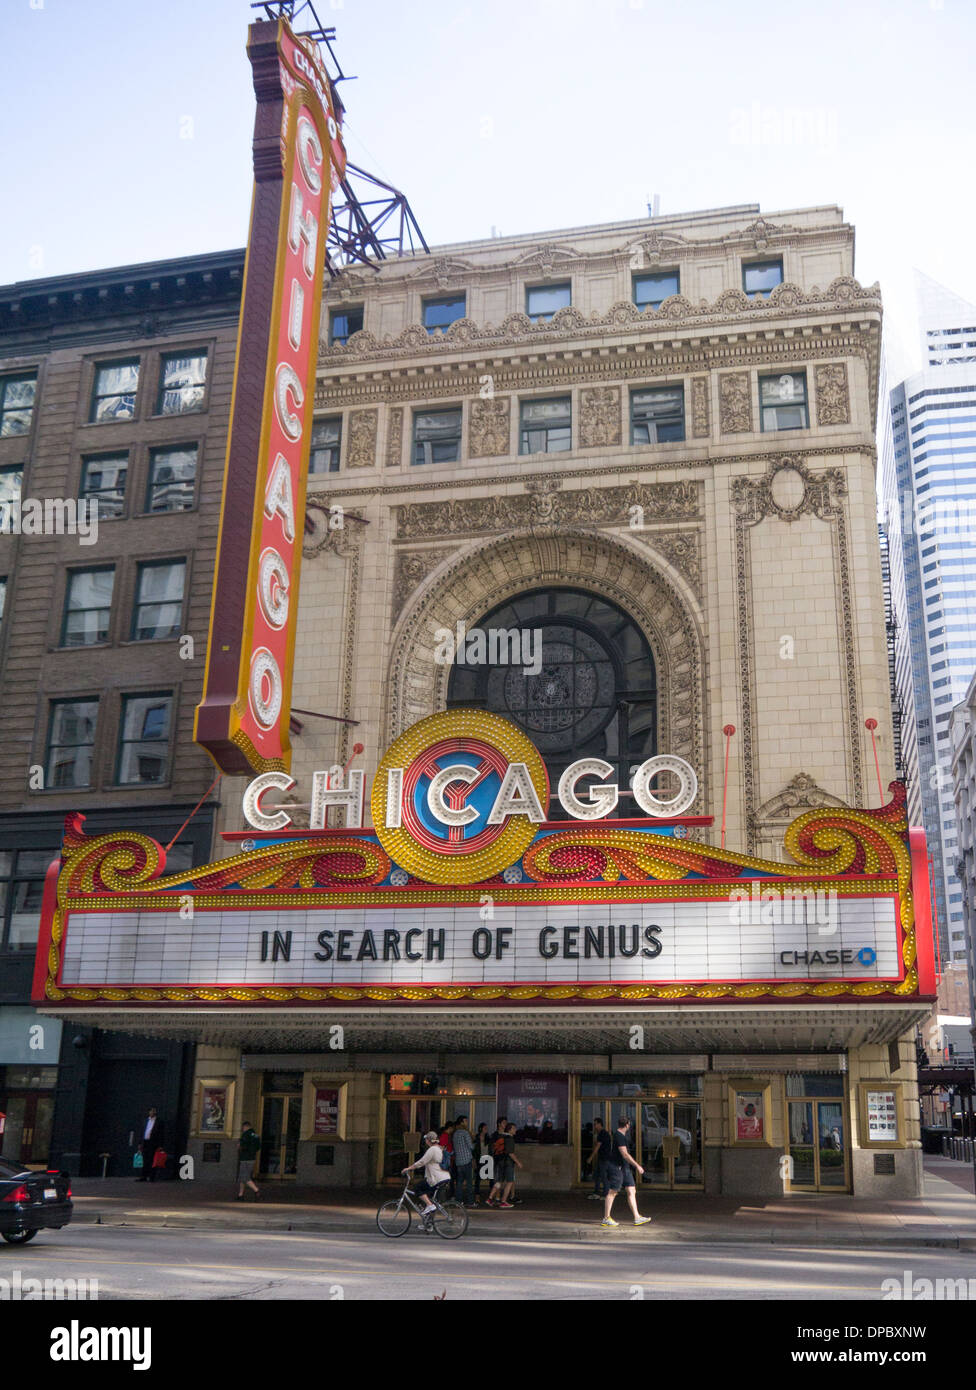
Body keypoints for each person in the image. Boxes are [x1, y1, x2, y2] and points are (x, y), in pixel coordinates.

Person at [602, 1116, 652, 1228]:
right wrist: (637, 1166)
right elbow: (625, 1154)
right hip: (617, 1167)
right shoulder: (619, 1136)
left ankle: (637, 1217)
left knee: (631, 1190)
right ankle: (606, 1218)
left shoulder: (621, 1136)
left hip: (624, 1168)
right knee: (613, 1191)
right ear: (627, 1125)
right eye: (629, 1124)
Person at [402, 1131, 450, 1230]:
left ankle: (429, 1206)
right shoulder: (438, 1148)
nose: (425, 1141)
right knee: (430, 1199)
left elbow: (422, 1162)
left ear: (429, 1140)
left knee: (417, 1188)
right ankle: (428, 1224)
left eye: (426, 1139)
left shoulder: (432, 1150)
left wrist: (409, 1168)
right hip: (442, 1177)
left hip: (435, 1178)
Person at [486, 1117, 522, 1208]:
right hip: (507, 1163)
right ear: (510, 1130)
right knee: (510, 1182)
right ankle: (503, 1201)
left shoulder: (501, 1137)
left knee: (499, 1181)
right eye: (514, 1128)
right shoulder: (509, 1138)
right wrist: (518, 1162)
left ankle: (490, 1198)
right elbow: (510, 1153)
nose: (515, 1130)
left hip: (499, 1162)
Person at [135, 1108, 164, 1182]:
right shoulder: (145, 1121)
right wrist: (139, 1143)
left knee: (152, 1160)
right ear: (149, 1112)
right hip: (145, 1141)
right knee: (144, 1159)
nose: (152, 1112)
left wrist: (160, 1145)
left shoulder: (159, 1122)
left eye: (154, 1111)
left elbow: (161, 1134)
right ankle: (143, 1176)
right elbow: (142, 1132)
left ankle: (152, 1177)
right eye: (151, 1111)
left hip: (153, 1143)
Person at [452, 1115, 475, 1207]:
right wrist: (473, 1137)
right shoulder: (465, 1133)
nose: (467, 1122)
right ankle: (470, 1201)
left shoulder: (455, 1133)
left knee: (459, 1182)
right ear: (461, 1122)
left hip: (458, 1161)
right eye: (465, 1121)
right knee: (469, 1182)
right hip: (467, 1159)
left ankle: (458, 1200)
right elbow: (471, 1146)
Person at [587, 1116, 611, 1200]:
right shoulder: (602, 1133)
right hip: (602, 1158)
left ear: (600, 1124)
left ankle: (606, 1194)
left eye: (595, 1124)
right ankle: (597, 1192)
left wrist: (591, 1158)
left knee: (604, 1176)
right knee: (597, 1175)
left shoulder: (602, 1133)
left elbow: (597, 1146)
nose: (594, 1126)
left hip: (604, 1159)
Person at [236, 1121, 261, 1200]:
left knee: (245, 1177)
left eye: (243, 1128)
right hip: (252, 1158)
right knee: (243, 1177)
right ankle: (241, 1194)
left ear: (245, 1127)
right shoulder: (256, 1135)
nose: (242, 1129)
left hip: (245, 1158)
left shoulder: (245, 1135)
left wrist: (240, 1147)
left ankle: (256, 1190)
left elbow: (241, 1145)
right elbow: (258, 1147)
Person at [472, 1122, 492, 1204]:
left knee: (491, 1179)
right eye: (484, 1128)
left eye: (486, 1128)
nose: (486, 1129)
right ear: (480, 1129)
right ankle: (477, 1196)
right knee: (478, 1179)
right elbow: (473, 1151)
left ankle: (491, 1197)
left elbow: (490, 1149)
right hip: (479, 1160)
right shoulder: (476, 1138)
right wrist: (474, 1161)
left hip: (488, 1159)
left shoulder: (488, 1138)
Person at [437, 1120, 456, 1197]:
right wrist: (451, 1153)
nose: (453, 1130)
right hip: (445, 1163)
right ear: (450, 1128)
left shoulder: (444, 1135)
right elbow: (444, 1149)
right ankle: (441, 1199)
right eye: (452, 1128)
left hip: (444, 1162)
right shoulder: (445, 1136)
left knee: (444, 1182)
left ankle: (441, 1198)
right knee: (444, 1183)